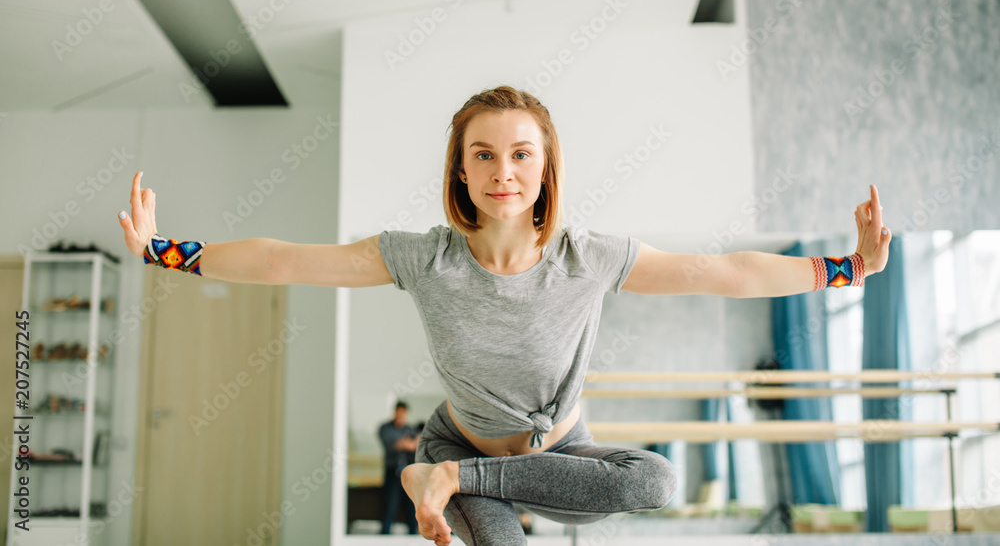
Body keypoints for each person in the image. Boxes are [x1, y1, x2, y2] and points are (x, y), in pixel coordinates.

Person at [118, 85, 891, 546]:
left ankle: (440, 479)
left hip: (559, 454)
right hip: (463, 445)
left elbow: (722, 271)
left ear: (546, 164)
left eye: (521, 153)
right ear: (461, 166)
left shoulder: (592, 255)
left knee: (654, 479)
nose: (502, 171)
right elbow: (286, 259)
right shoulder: (423, 256)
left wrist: (844, 267)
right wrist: (164, 251)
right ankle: (446, 472)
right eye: (483, 153)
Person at [378, 401, 420, 535]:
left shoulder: (410, 429)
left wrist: (406, 443)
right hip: (392, 472)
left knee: (411, 508)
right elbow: (393, 445)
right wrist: (406, 443)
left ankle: (414, 538)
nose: (400, 416)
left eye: (403, 414)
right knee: (390, 506)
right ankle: (384, 537)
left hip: (408, 473)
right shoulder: (385, 428)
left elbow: (416, 445)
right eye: (398, 413)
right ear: (395, 412)